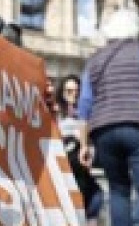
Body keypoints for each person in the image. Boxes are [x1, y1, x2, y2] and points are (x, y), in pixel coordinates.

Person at [76, 7, 139, 226]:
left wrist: (83, 144)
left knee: (118, 190)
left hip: (104, 130)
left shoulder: (94, 60)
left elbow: (85, 104)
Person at [55, 74, 102, 225]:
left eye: (77, 91)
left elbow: (93, 142)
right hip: (65, 168)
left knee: (93, 198)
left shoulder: (88, 115)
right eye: (69, 91)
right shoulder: (57, 116)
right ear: (62, 94)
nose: (73, 95)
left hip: (83, 167)